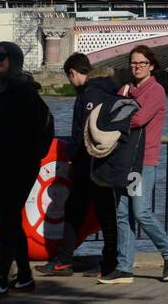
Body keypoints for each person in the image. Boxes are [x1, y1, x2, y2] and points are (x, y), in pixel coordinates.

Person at [35, 54, 121, 279]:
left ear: (72, 73)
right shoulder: (110, 91)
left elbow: (82, 132)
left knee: (77, 211)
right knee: (105, 213)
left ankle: (65, 261)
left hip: (86, 162)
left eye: (69, 77)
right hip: (105, 160)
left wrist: (72, 158)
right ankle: (108, 261)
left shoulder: (88, 95)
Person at [0, 42, 52, 299]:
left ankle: (1, 279)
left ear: (14, 60)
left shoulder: (23, 91)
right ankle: (24, 276)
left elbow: (34, 131)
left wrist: (17, 152)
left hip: (19, 164)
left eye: (2, 56)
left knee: (9, 218)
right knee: (11, 218)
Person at [104, 45, 168, 285]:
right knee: (122, 214)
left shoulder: (155, 91)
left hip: (144, 160)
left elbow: (137, 119)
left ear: (152, 66)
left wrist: (122, 106)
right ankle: (124, 268)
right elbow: (110, 111)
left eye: (142, 63)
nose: (137, 67)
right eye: (133, 63)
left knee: (141, 211)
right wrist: (122, 103)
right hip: (123, 159)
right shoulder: (126, 89)